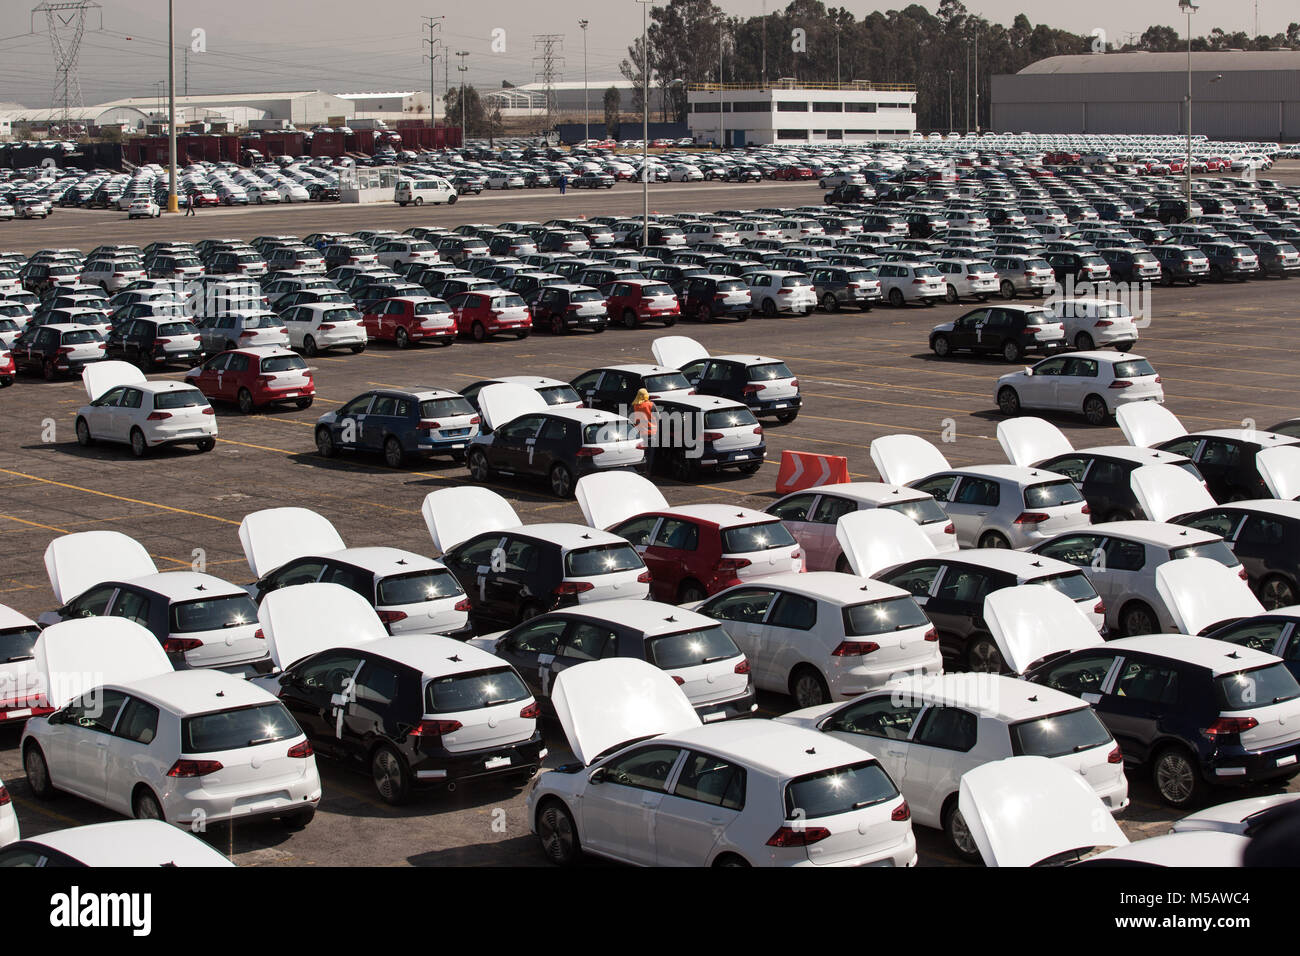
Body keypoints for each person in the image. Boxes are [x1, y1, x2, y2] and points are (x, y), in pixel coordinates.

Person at [631, 387, 656, 475]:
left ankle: (640, 470)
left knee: (642, 453)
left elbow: (631, 419)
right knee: (650, 454)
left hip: (640, 433)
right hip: (651, 433)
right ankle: (648, 472)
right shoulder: (651, 405)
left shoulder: (634, 405)